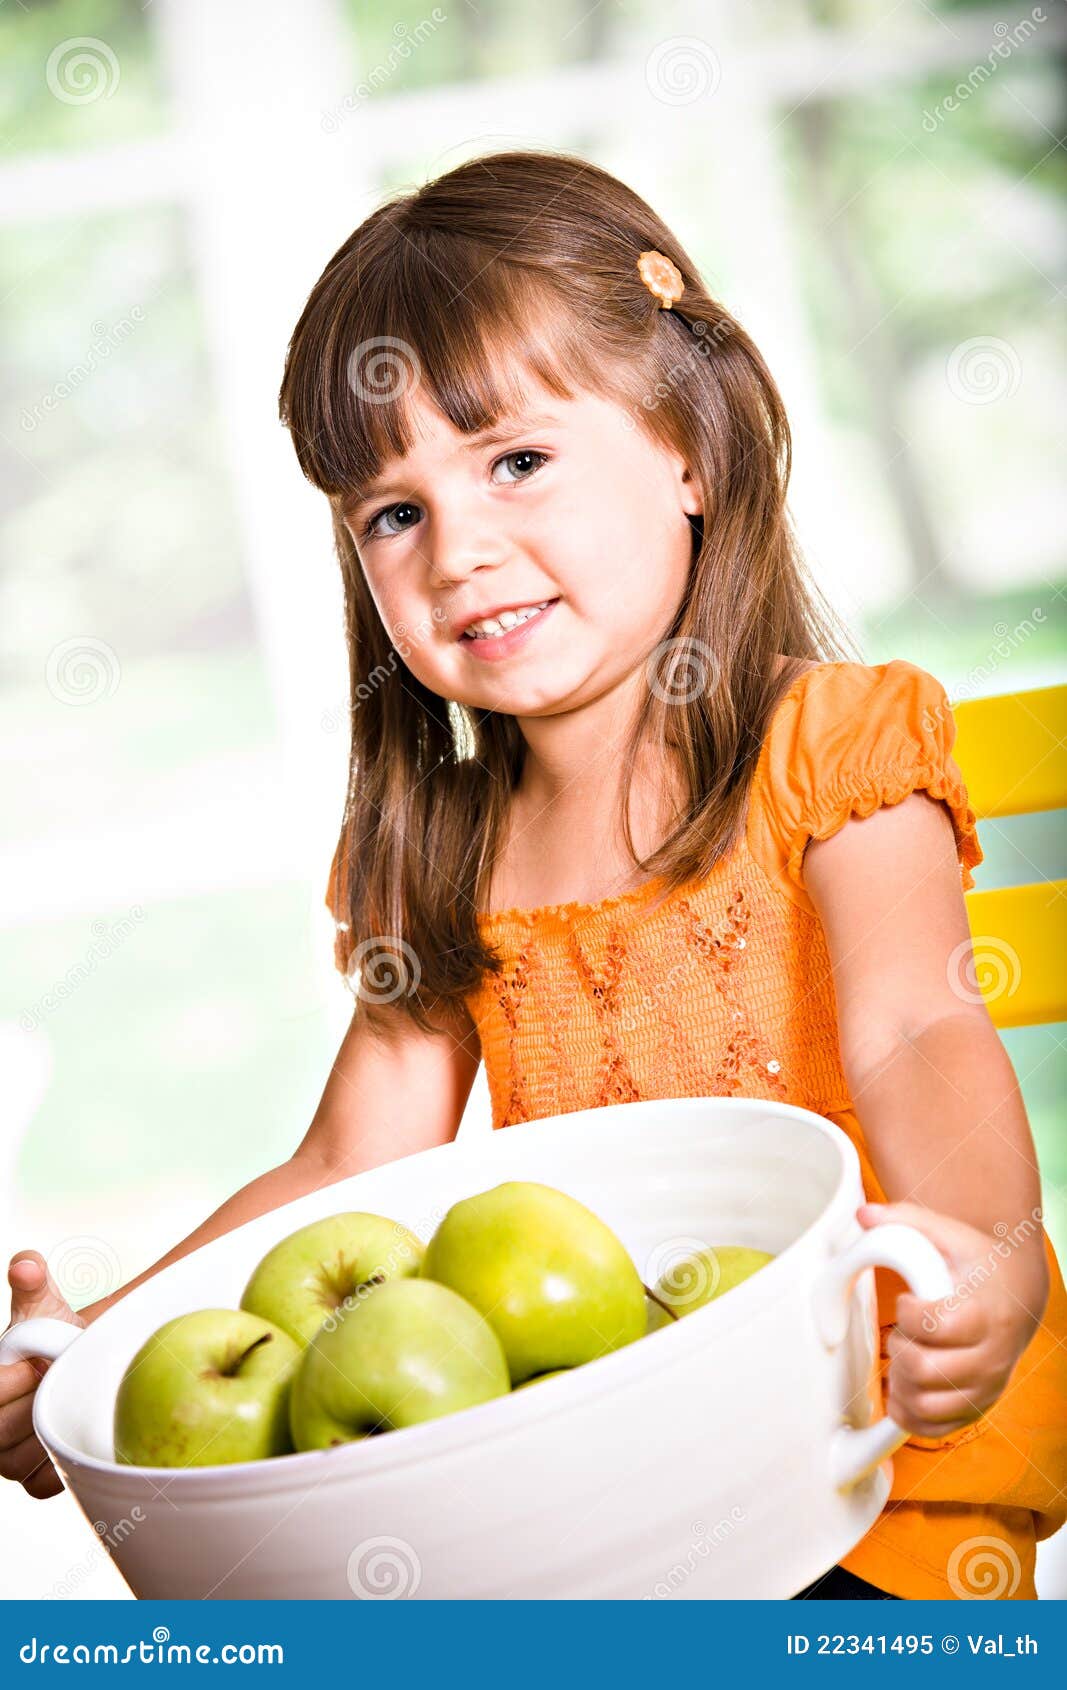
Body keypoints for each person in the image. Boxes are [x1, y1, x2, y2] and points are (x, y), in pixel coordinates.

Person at [3, 150, 1064, 1602]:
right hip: (622, 1491)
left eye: (515, 460)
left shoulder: (832, 746)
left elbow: (915, 1027)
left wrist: (986, 1254)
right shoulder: (438, 847)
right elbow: (345, 1164)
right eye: (393, 511)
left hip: (873, 1447)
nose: (460, 549)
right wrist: (95, 1347)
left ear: (692, 449)